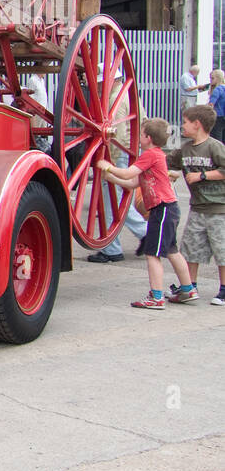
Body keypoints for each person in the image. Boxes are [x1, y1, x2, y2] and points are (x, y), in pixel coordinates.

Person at [96, 118, 191, 309]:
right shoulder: (155, 157)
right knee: (172, 250)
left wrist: (106, 165)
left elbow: (128, 174)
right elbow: (132, 184)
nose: (138, 137)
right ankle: (188, 289)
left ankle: (156, 297)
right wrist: (110, 177)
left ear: (148, 137)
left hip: (161, 209)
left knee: (152, 254)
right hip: (168, 209)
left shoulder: (150, 155)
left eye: (140, 134)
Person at [165, 104, 225, 305]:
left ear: (197, 124)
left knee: (221, 251)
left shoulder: (215, 147)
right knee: (191, 248)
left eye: (185, 122)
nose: (182, 126)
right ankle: (190, 286)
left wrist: (202, 175)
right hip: (197, 207)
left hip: (218, 209)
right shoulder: (185, 149)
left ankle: (223, 290)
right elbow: (169, 165)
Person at [86, 65, 147, 263]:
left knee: (112, 201)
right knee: (119, 201)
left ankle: (115, 247)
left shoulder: (115, 100)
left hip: (119, 153)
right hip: (130, 151)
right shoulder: (130, 95)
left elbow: (117, 133)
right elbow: (142, 122)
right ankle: (146, 235)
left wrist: (107, 161)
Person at [208, 68, 225, 143]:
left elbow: (211, 104)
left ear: (218, 78)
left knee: (216, 135)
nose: (211, 80)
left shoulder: (217, 90)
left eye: (212, 78)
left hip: (217, 115)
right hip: (223, 115)